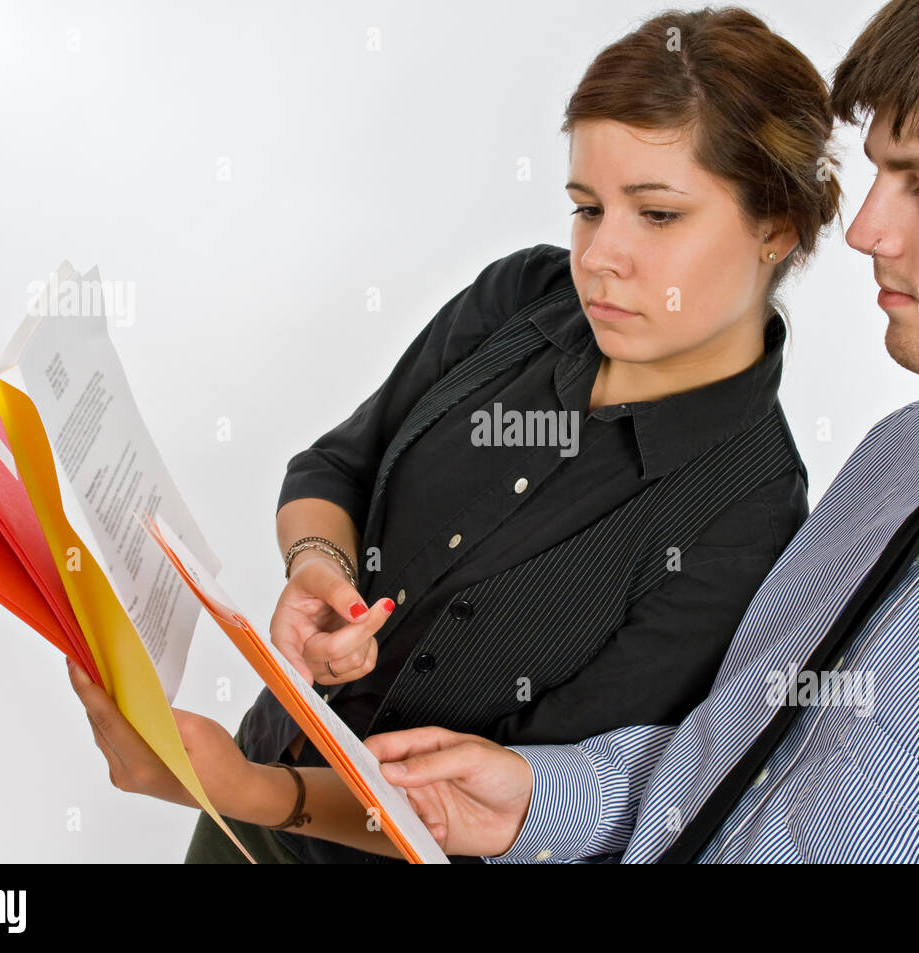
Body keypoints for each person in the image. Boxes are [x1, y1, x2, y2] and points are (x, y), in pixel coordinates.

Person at [358, 0, 919, 862]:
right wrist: (541, 799)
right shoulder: (906, 452)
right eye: (879, 176)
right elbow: (749, 763)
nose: (864, 231)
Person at [66, 7, 843, 862]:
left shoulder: (747, 520)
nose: (600, 255)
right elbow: (338, 464)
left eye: (657, 215)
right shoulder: (522, 297)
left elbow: (517, 805)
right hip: (243, 791)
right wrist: (318, 567)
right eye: (588, 208)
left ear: (778, 226)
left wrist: (249, 791)